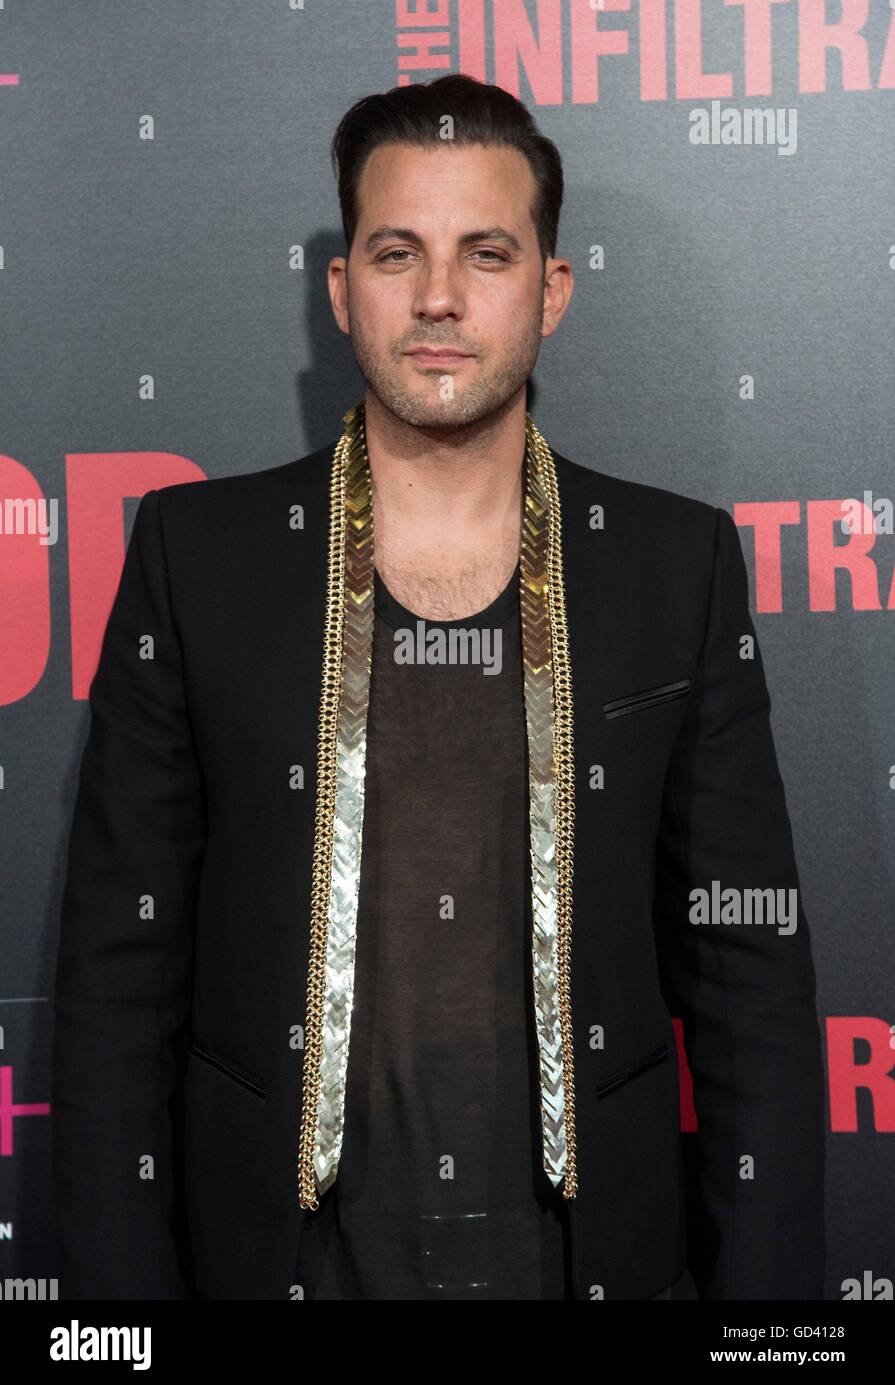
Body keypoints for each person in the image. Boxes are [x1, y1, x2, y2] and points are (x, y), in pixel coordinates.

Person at [52, 73, 825, 1300]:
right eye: (397, 249)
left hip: (584, 1263)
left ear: (551, 292)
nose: (440, 298)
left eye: (488, 252)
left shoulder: (673, 567)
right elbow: (115, 986)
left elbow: (749, 988)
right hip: (279, 1260)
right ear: (341, 286)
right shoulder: (200, 558)